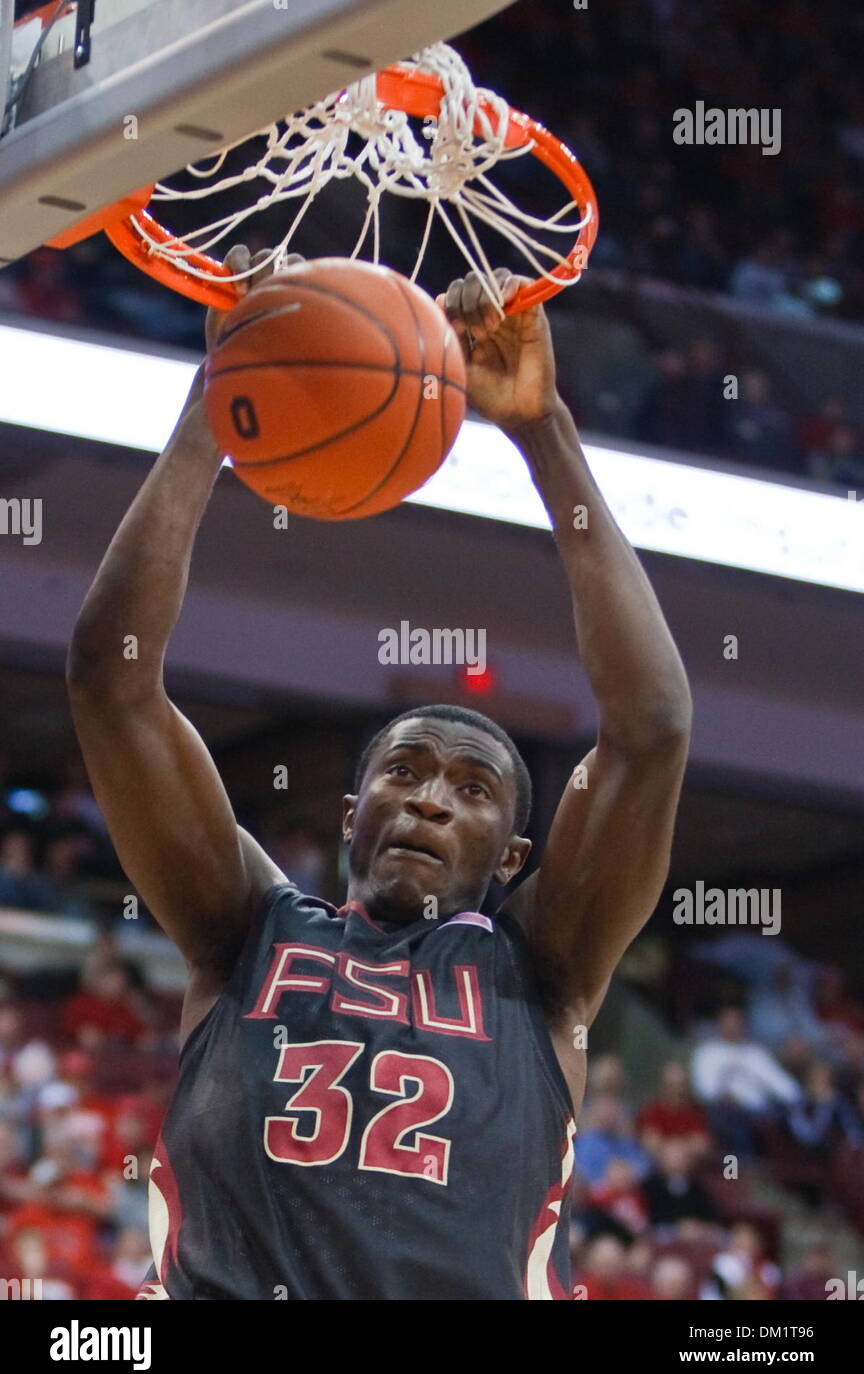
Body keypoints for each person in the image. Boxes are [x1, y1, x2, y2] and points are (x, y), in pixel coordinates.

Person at [66, 247, 692, 1301]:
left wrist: (544, 431)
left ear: (516, 854)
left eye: (471, 788)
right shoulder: (246, 926)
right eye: (404, 771)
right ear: (352, 812)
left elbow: (652, 727)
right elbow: (110, 680)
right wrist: (209, 418)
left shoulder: (542, 970)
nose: (431, 796)